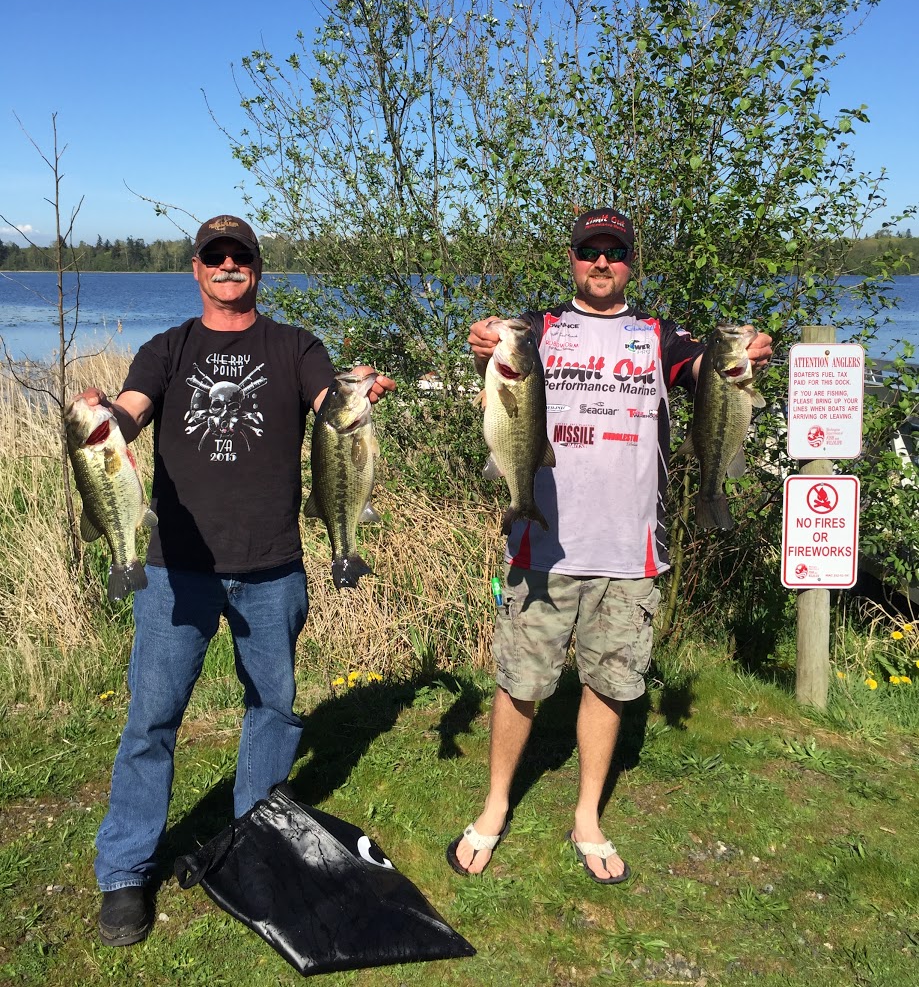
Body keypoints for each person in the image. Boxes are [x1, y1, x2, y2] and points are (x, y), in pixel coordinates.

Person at [80, 215, 394, 946]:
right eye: (215, 256)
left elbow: (328, 407)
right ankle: (125, 871)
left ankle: (256, 839)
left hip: (272, 564)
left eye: (240, 257)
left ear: (258, 268)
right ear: (196, 268)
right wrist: (102, 418)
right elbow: (130, 412)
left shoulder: (295, 347)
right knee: (151, 718)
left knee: (274, 712)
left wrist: (357, 397)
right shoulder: (168, 348)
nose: (228, 266)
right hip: (175, 571)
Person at [447, 208, 772, 884]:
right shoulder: (534, 329)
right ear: (570, 258)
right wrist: (480, 340)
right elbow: (491, 350)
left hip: (630, 548)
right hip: (542, 543)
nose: (601, 264)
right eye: (589, 251)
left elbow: (706, 369)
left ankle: (587, 814)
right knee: (519, 682)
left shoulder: (657, 334)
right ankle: (494, 804)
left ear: (630, 263)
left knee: (610, 683)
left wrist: (747, 353)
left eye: (614, 253)